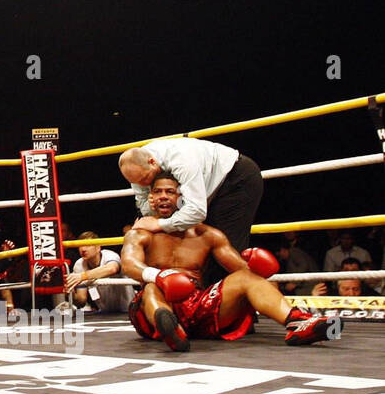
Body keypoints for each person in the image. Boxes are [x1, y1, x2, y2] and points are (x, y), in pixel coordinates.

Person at [121, 174, 335, 352]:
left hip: (196, 305)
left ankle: (297, 322)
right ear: (150, 197)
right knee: (150, 288)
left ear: (183, 197)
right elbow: (129, 264)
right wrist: (160, 276)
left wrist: (261, 276)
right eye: (158, 192)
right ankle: (169, 330)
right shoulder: (141, 234)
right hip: (153, 307)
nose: (163, 197)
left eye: (170, 191)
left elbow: (243, 271)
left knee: (246, 278)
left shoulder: (208, 235)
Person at [118, 138, 263, 287]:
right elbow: (147, 210)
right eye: (137, 182)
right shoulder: (137, 172)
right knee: (197, 246)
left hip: (234, 179)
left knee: (222, 248)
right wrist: (152, 211)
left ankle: (230, 302)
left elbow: (197, 211)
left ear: (152, 162)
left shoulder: (181, 161)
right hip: (206, 191)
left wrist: (160, 224)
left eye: (145, 178)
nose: (144, 185)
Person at [65, 232, 126, 313]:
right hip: (105, 313)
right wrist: (71, 293)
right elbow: (81, 301)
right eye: (81, 245)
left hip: (126, 310)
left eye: (87, 245)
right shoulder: (79, 264)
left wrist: (83, 276)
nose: (83, 249)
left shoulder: (110, 255)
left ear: (98, 247)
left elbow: (112, 269)